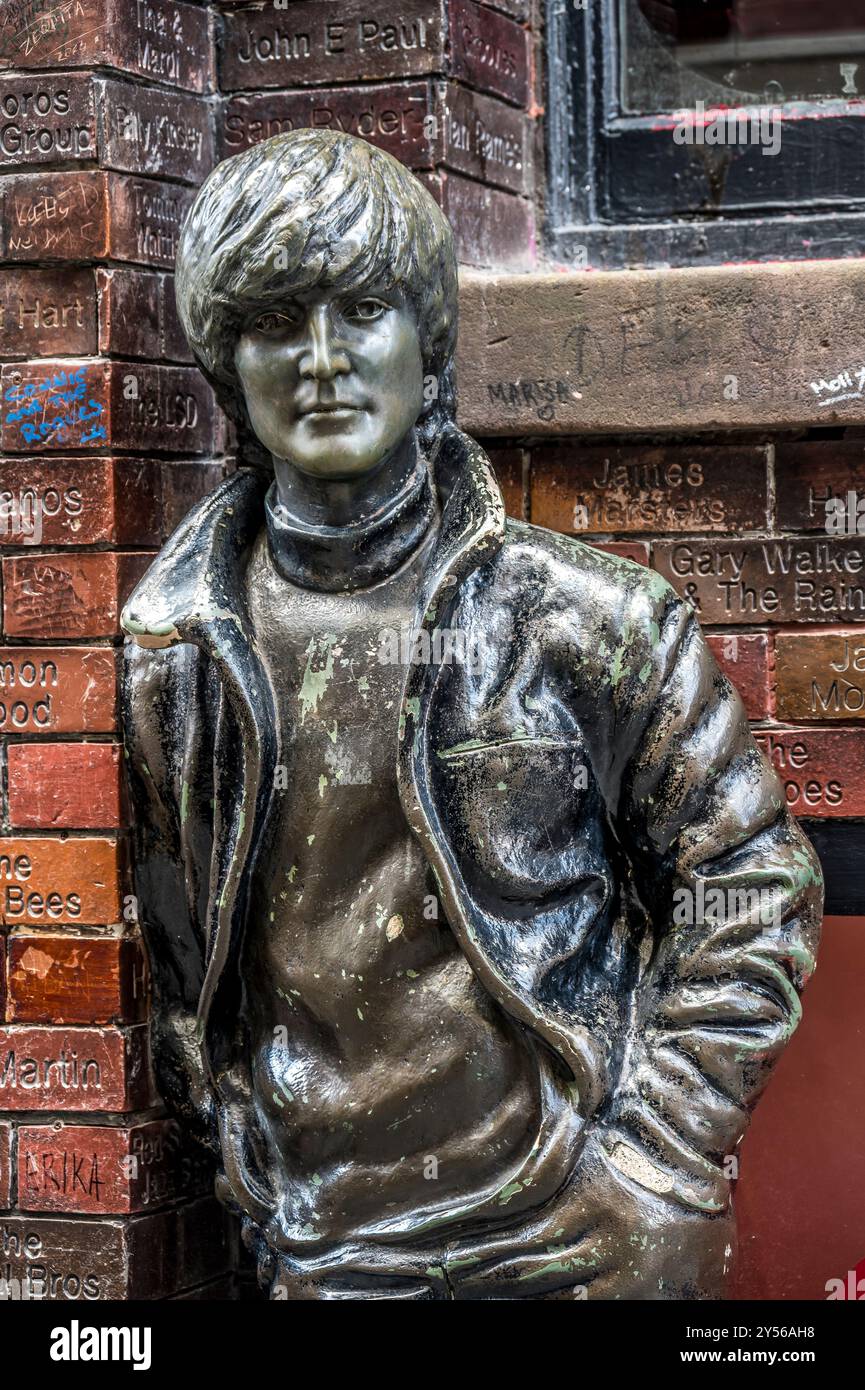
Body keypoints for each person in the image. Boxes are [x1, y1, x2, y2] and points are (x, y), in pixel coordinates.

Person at [121, 129, 823, 1300]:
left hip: (578, 1227)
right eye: (277, 322)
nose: (323, 359)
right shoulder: (176, 654)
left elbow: (751, 887)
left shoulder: (588, 619)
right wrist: (246, 1155)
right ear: (226, 363)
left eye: (361, 310)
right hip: (323, 1245)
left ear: (427, 340)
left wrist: (656, 1162)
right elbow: (185, 955)